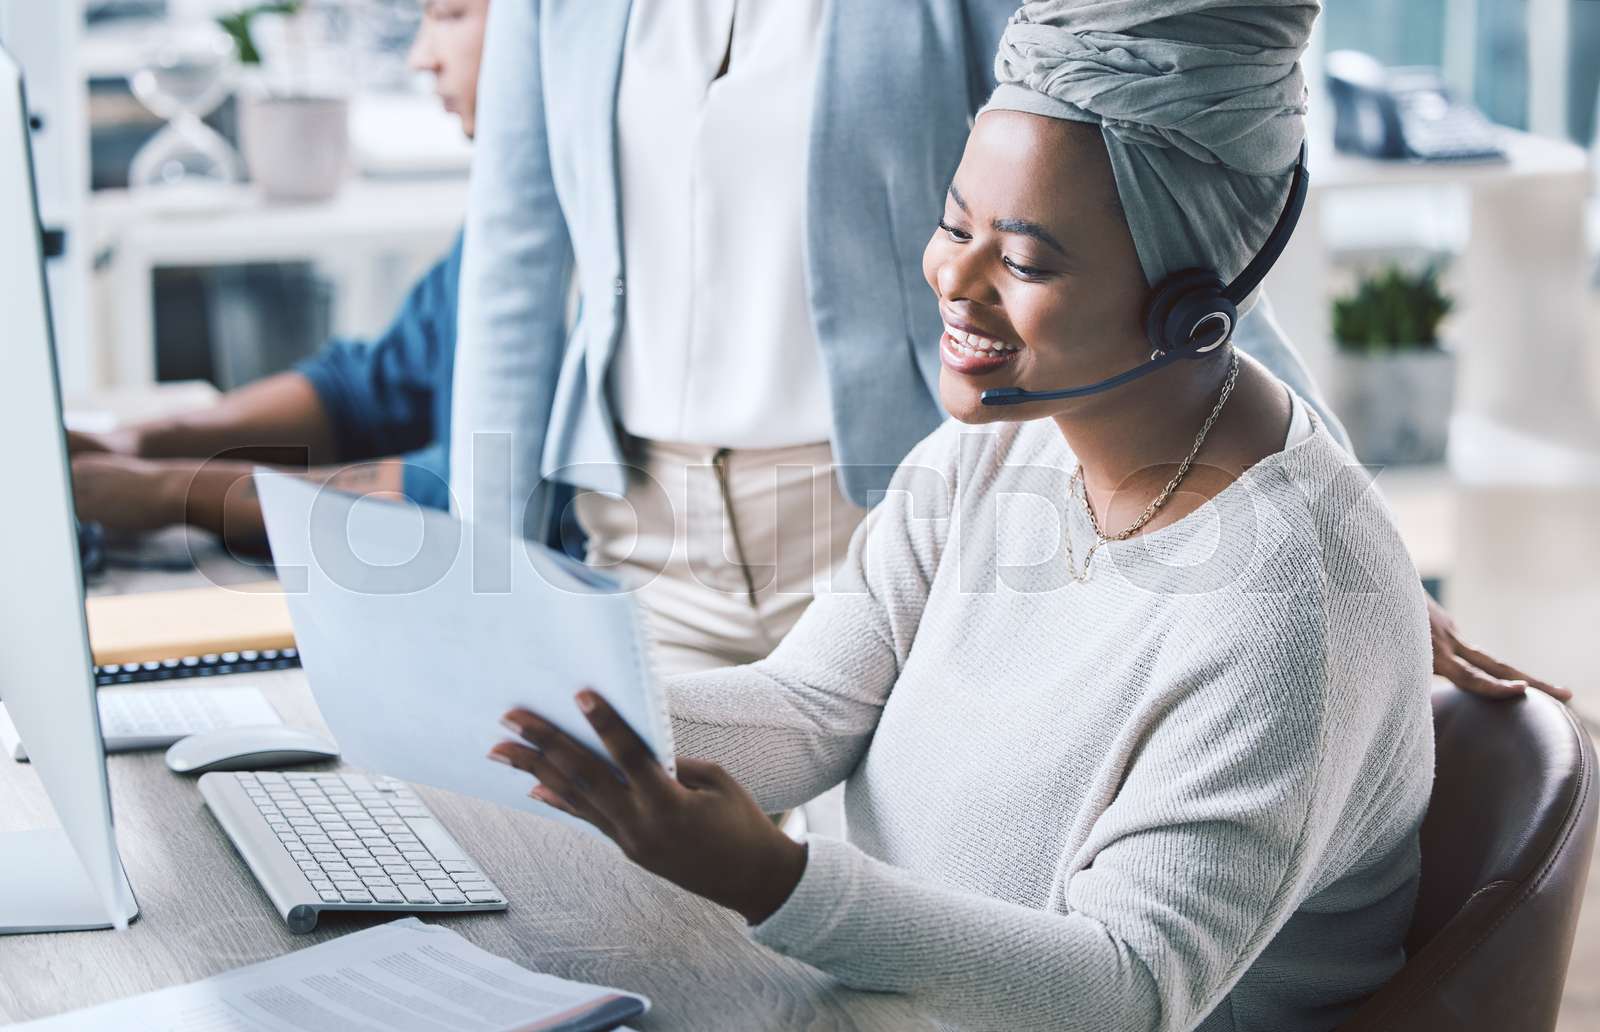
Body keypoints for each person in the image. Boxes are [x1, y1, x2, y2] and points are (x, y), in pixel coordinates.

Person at [487, 3, 1437, 1029]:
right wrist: (544, 712)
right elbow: (813, 707)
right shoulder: (1000, 446)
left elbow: (1130, 986)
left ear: (1192, 304)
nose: (950, 276)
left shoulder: (1289, 597)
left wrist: (777, 882)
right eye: (952, 224)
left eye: (1024, 263)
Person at [455, 0, 1567, 701]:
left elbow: (1166, 250)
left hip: (892, 526)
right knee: (636, 914)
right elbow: (509, 266)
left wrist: (1351, 535)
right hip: (641, 526)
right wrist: (477, 580)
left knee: (851, 940)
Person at [66, 0, 491, 551]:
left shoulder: (599, 248)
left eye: (452, 16)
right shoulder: (505, 215)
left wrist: (175, 493)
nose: (419, 58)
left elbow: (481, 493)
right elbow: (369, 391)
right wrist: (137, 442)